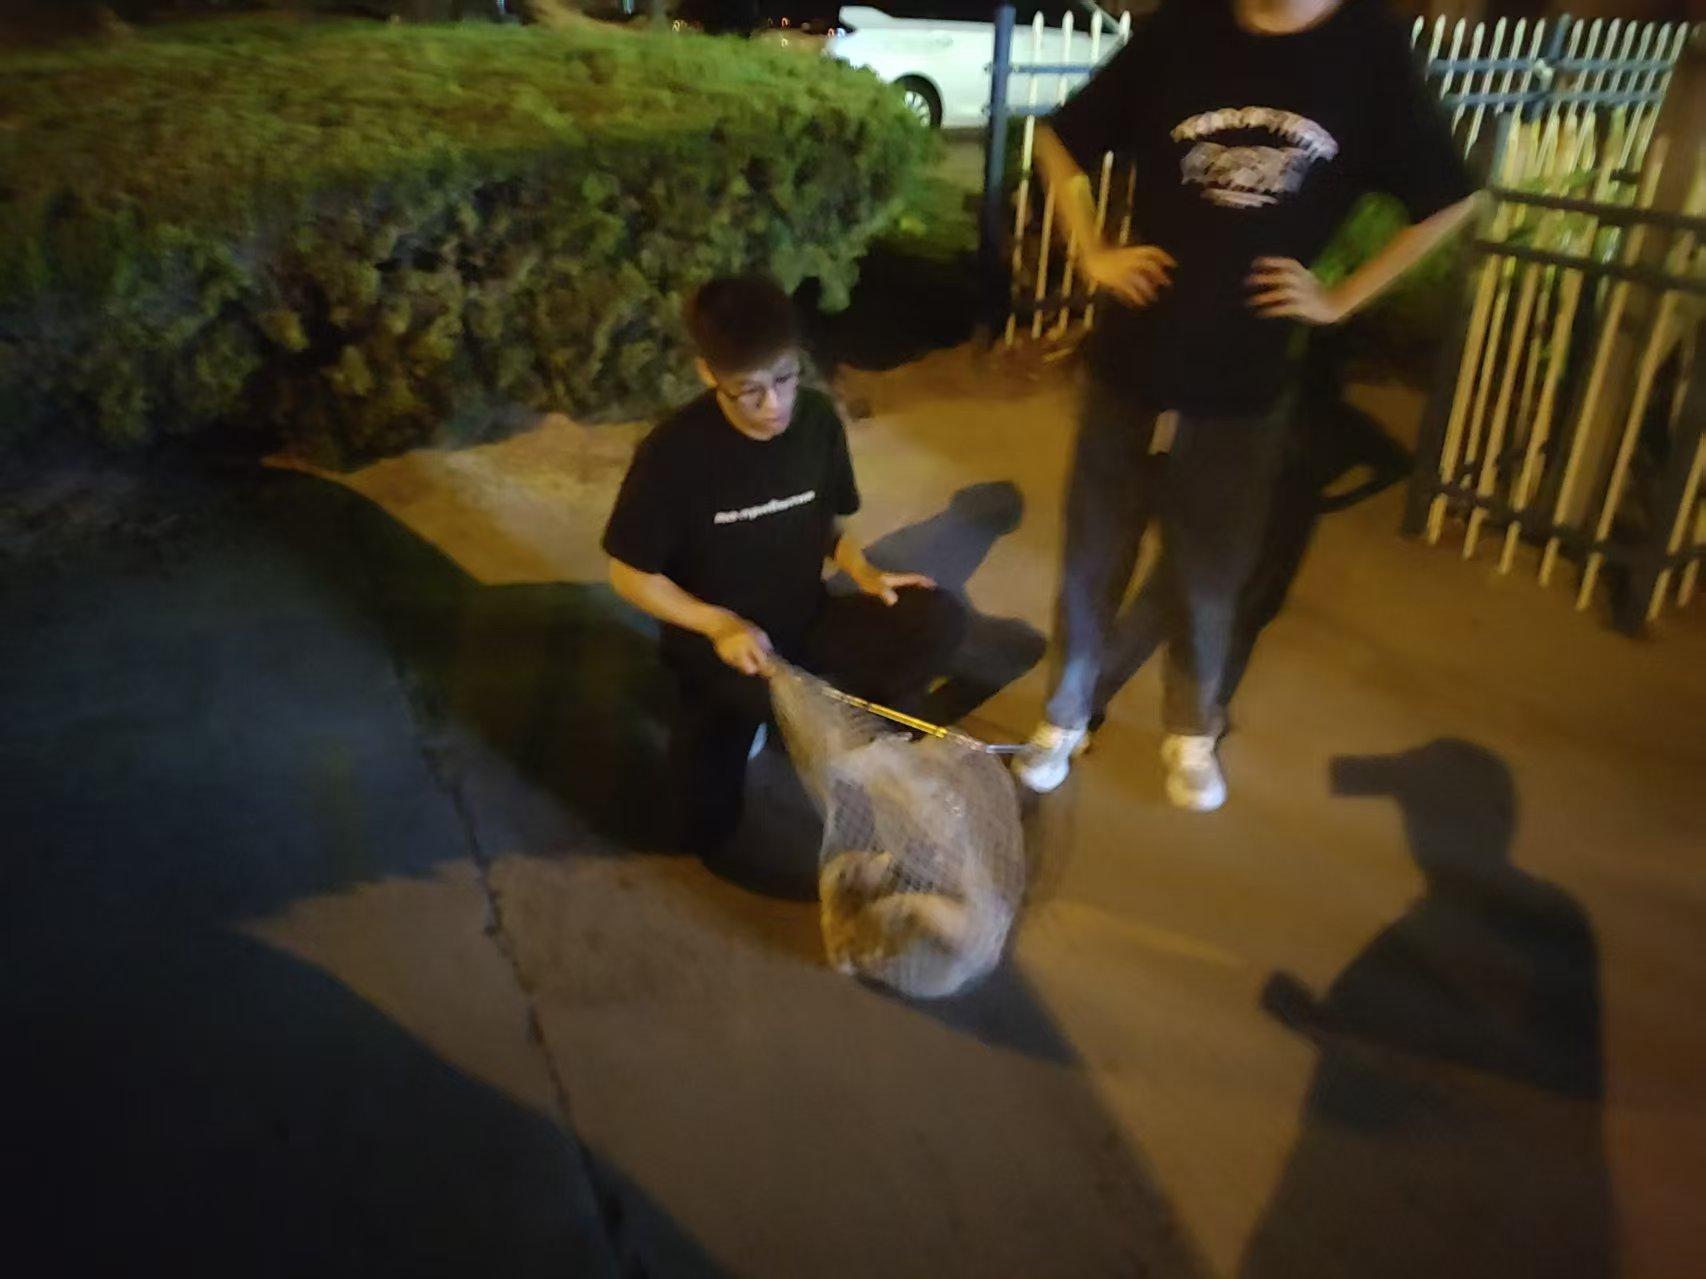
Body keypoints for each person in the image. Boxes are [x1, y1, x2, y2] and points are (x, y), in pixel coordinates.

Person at [1013, 0, 1480, 810]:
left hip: (1246, 371)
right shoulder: (1182, 28)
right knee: (1094, 552)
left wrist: (1341, 298)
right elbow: (1061, 139)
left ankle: (1192, 725)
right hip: (1134, 352)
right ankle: (1064, 713)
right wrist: (1092, 250)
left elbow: (1450, 198)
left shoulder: (1369, 51)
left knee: (1210, 567)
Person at [603, 275, 964, 857]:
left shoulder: (817, 421)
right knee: (704, 829)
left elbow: (828, 523)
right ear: (708, 374)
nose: (773, 405)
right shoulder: (673, 455)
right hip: (722, 652)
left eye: (784, 378)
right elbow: (629, 574)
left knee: (935, 618)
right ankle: (744, 723)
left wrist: (865, 572)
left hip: (805, 617)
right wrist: (718, 624)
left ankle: (871, 734)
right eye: (749, 391)